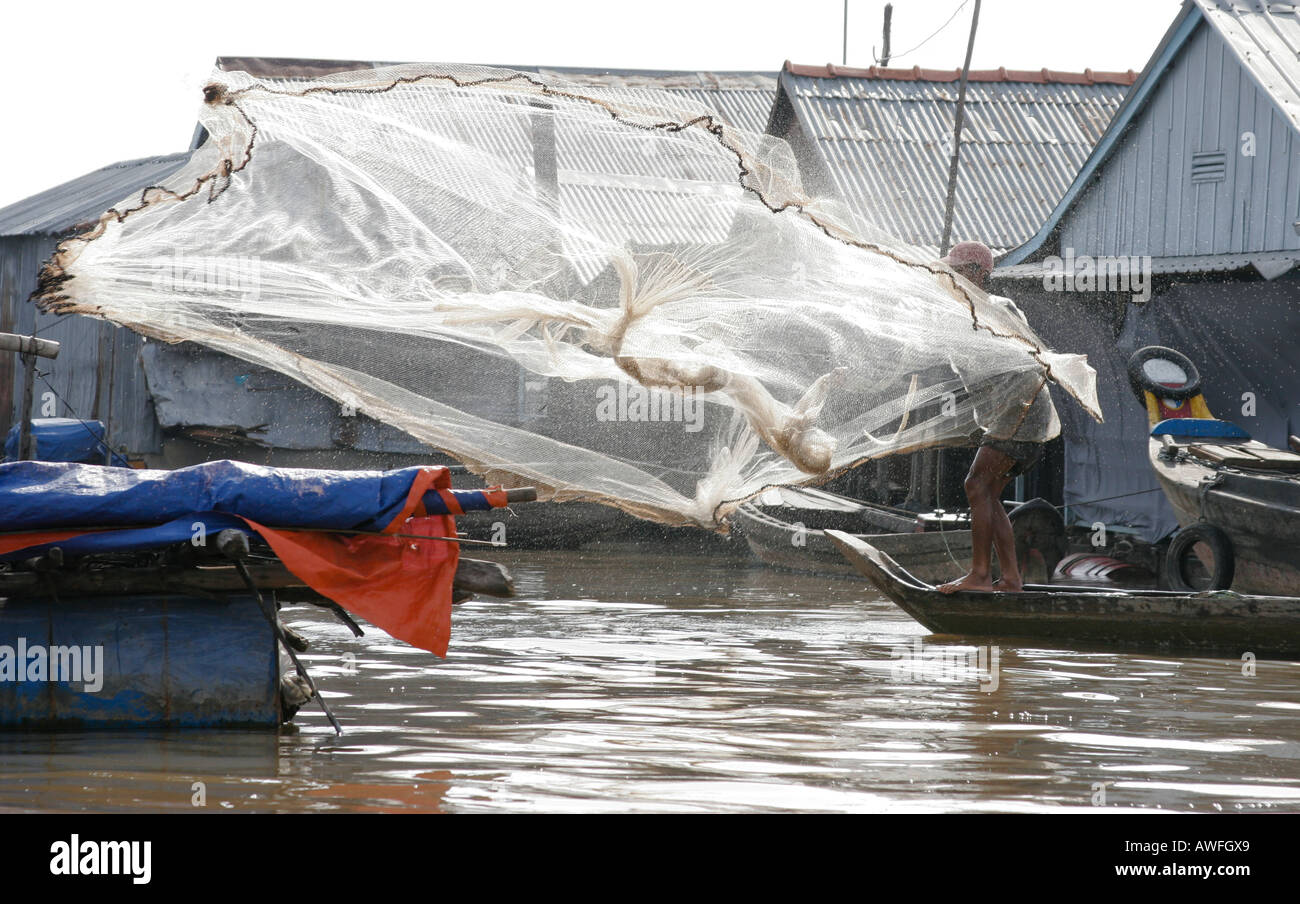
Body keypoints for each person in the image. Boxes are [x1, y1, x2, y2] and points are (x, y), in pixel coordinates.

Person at [932, 241, 1055, 594]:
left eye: (954, 272)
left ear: (975, 274)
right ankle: (1012, 579)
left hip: (1020, 410)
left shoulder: (988, 311)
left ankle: (981, 575)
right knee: (988, 492)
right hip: (1021, 411)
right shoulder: (972, 310)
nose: (948, 278)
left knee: (975, 485)